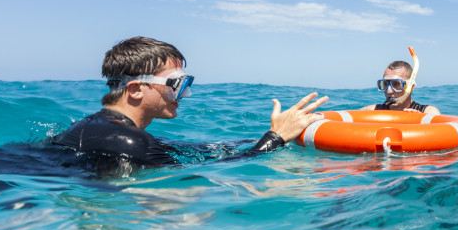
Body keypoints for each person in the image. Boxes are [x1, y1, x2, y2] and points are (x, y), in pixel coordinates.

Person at [50, 36, 327, 169]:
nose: (185, 95)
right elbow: (207, 176)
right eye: (176, 85)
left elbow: (193, 153)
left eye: (187, 84)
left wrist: (258, 138)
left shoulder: (102, 128)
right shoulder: (128, 142)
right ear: (135, 90)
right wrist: (274, 140)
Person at [360, 60, 439, 115]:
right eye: (384, 84)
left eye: (396, 84)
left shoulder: (428, 112)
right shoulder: (372, 110)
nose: (389, 90)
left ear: (411, 87)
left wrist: (420, 120)